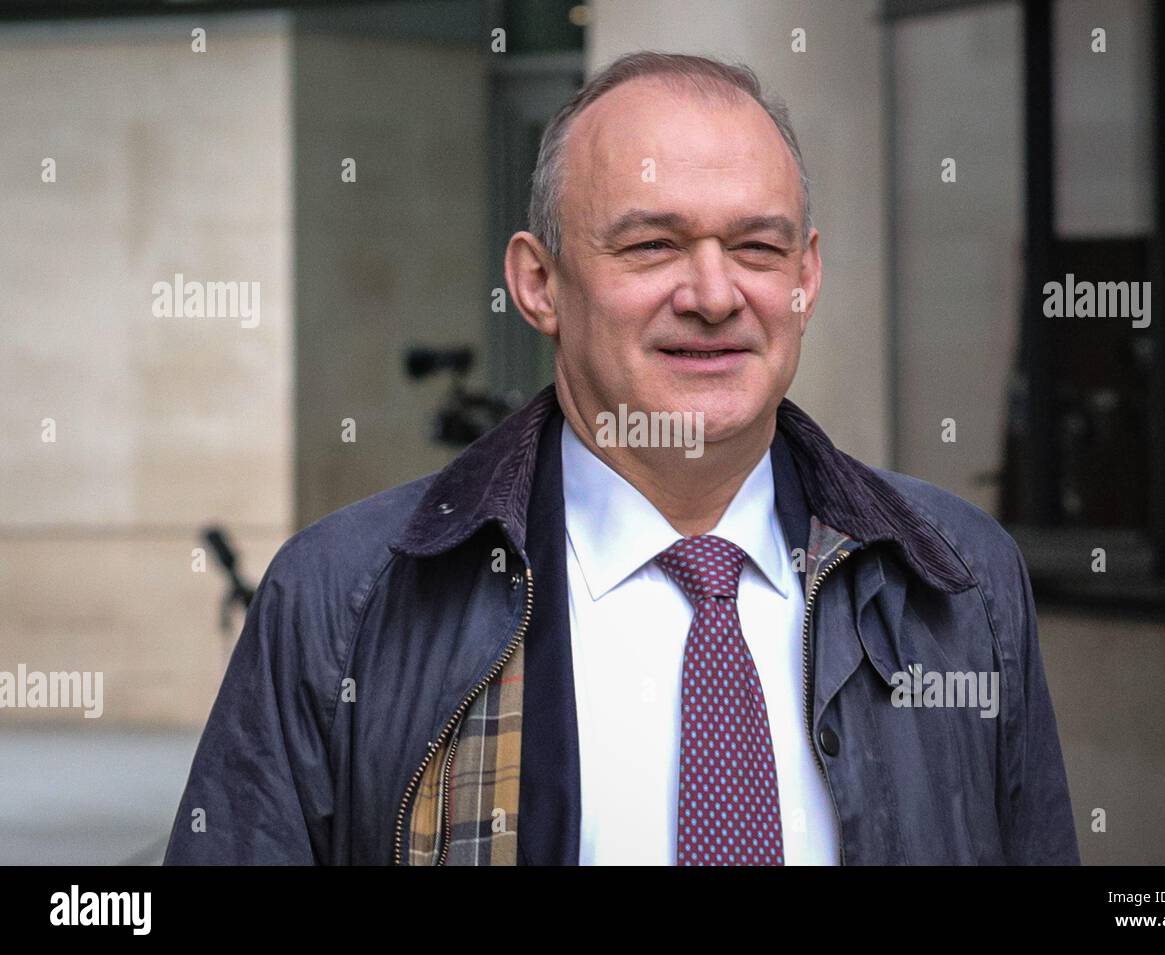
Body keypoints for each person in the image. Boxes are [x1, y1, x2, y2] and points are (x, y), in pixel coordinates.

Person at [164, 50, 1079, 866]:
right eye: (654, 245)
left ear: (806, 279)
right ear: (539, 283)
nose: (715, 295)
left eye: (757, 248)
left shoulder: (963, 581)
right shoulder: (343, 598)